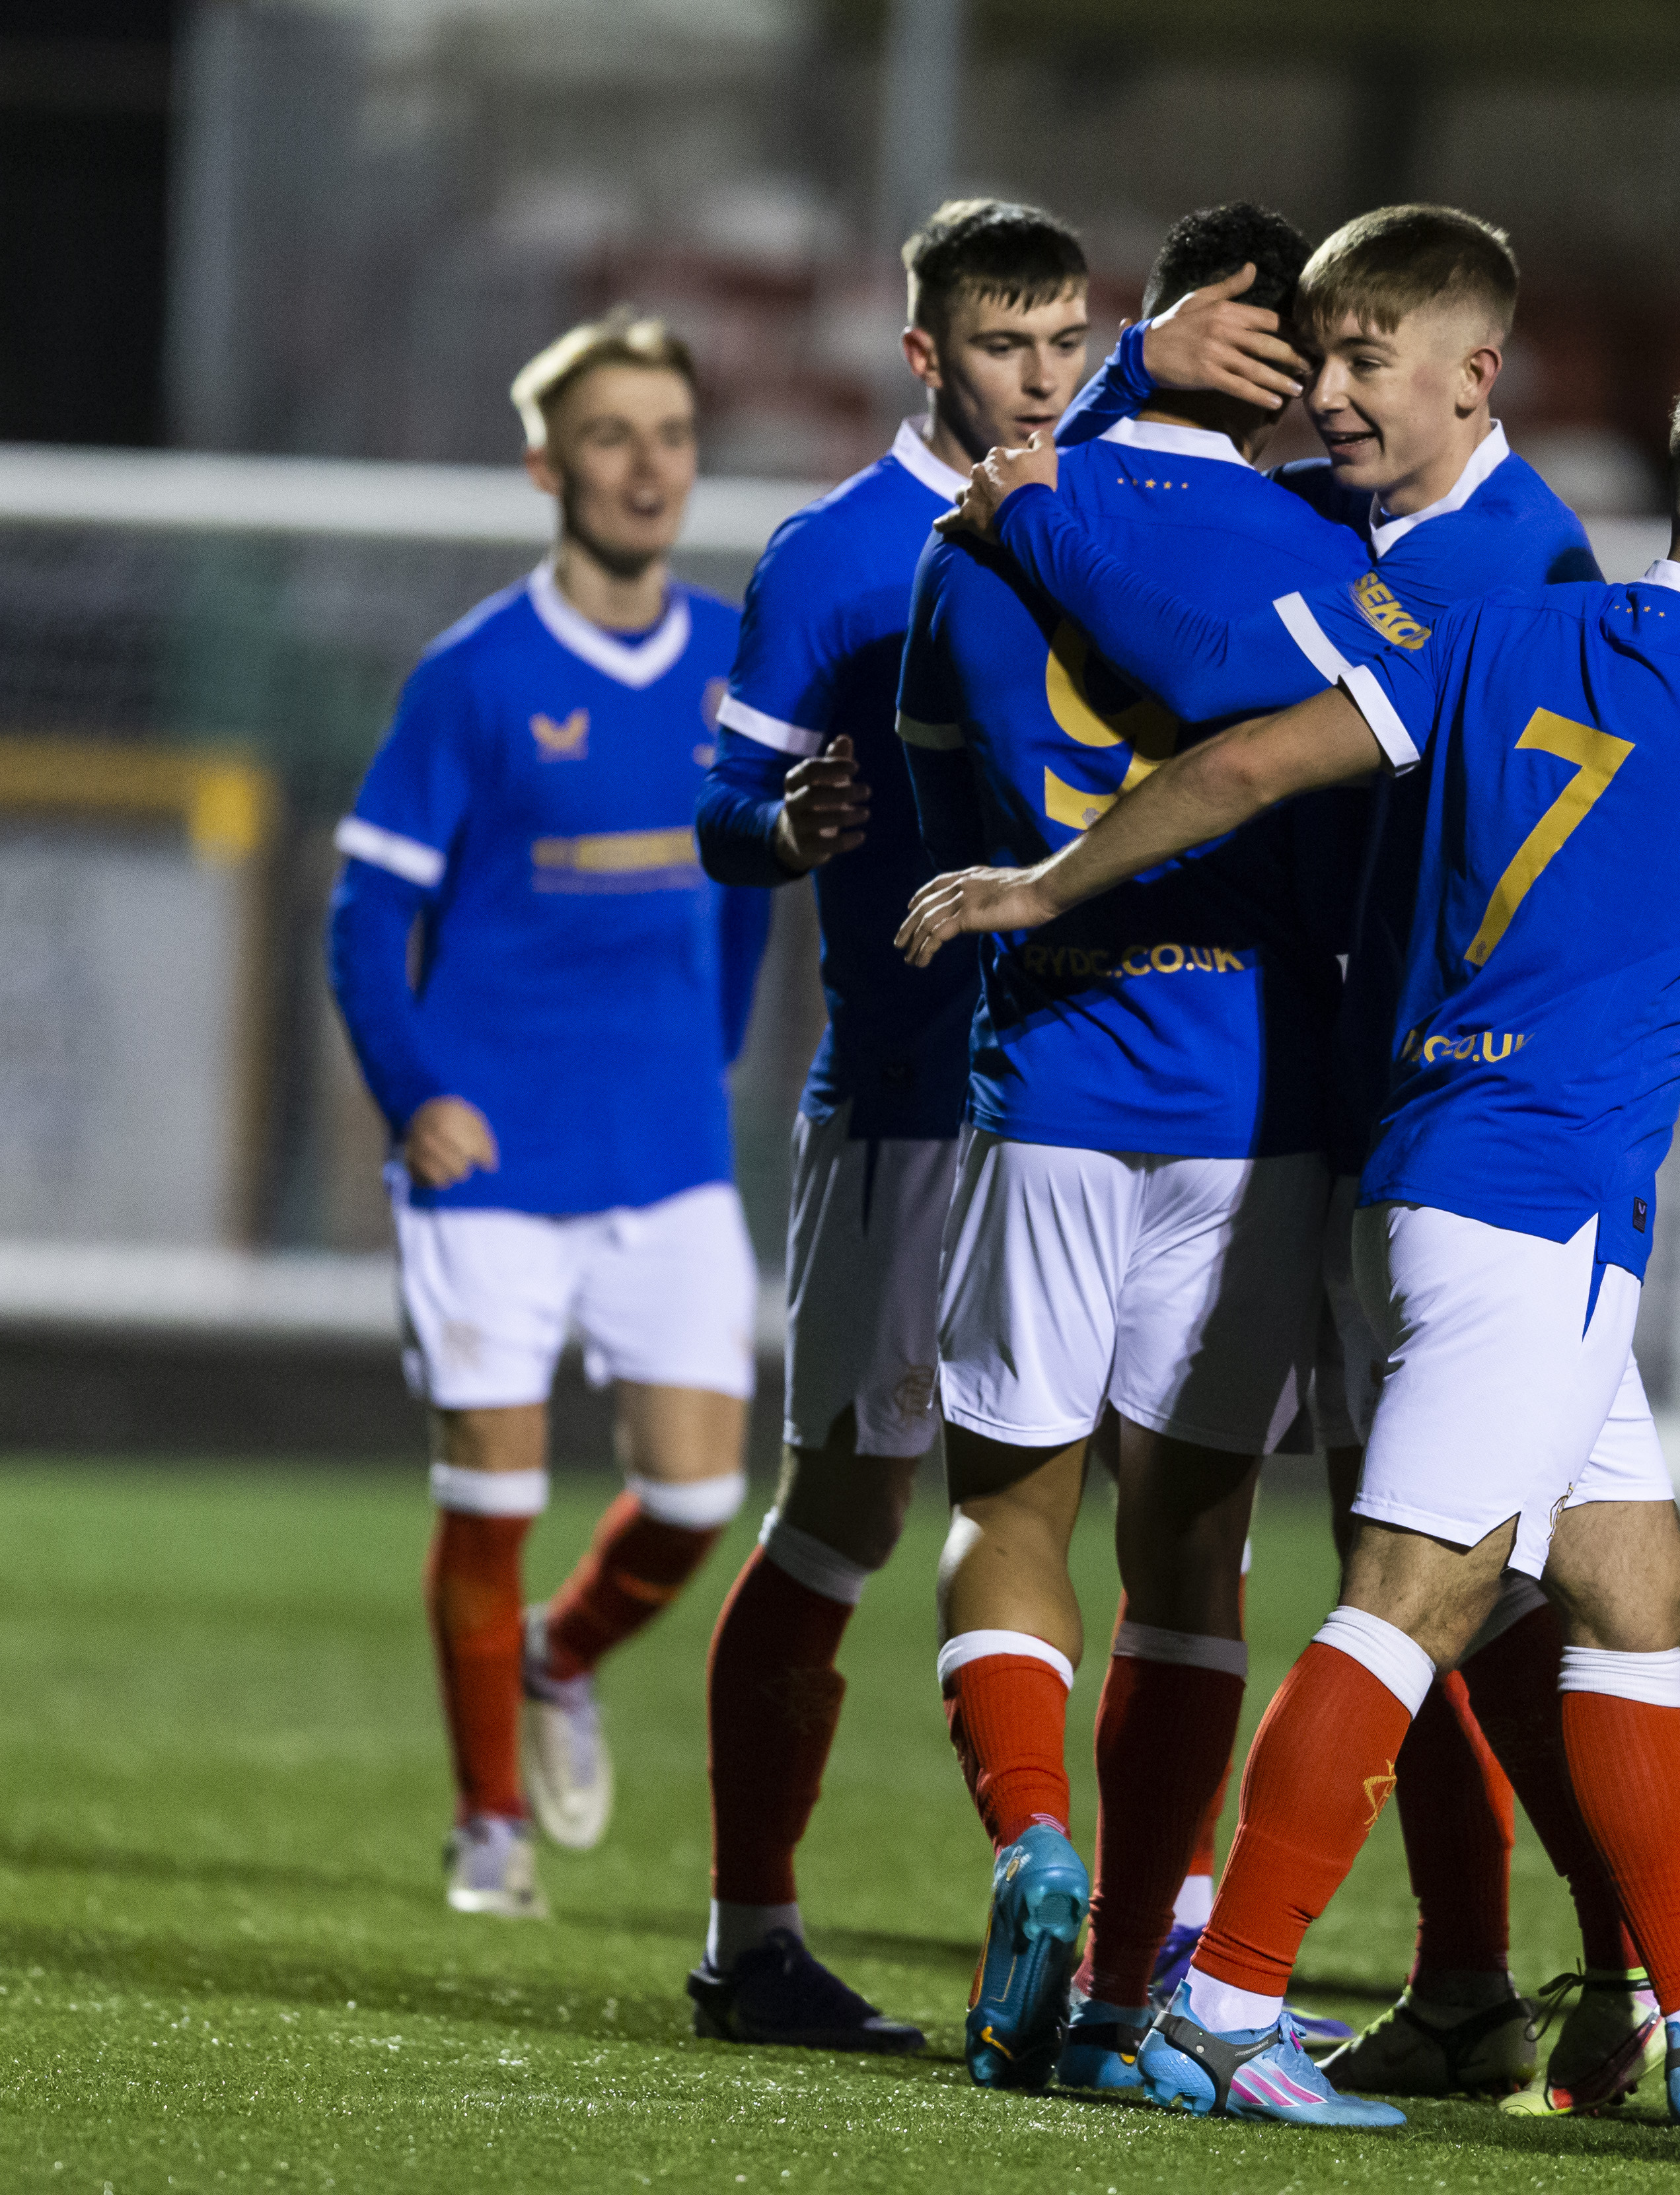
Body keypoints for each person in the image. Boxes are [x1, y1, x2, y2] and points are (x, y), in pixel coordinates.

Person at [900, 361, 1680, 2134]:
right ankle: (1223, 2002)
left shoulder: (1496, 639)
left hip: (1404, 1178)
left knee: (1630, 1583)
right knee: (1413, 1605)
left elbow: (1238, 763)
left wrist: (1046, 882)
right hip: (1536, 1212)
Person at [957, 201, 1658, 2112]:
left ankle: (1641, 1970)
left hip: (1489, 1137)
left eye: (1364, 361)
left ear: (1470, 373)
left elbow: (1228, 691)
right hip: (1387, 1120)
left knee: (1535, 1578)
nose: (1330, 394)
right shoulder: (1380, 533)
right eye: (1315, 359)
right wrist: (1123, 381)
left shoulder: (1503, 568)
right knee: (1447, 1564)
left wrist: (1040, 494)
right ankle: (1467, 1980)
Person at [892, 201, 1371, 2092]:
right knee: (1194, 1554)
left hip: (1059, 1071)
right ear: (1279, 365)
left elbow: (943, 799)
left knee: (1009, 1510)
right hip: (1255, 1089)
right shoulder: (1327, 554)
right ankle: (1117, 1994)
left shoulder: (971, 547)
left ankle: (1028, 1839)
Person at [680, 198, 1093, 2055]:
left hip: (1094, 1108)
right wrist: (793, 832)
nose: (1043, 374)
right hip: (910, 1108)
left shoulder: (1109, 523)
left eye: (1067, 339)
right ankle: (750, 1936)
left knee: (1140, 1516)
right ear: (924, 354)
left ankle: (1128, 1935)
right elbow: (720, 809)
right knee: (839, 1519)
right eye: (1006, 343)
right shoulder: (834, 556)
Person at [326, 310, 766, 1922]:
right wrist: (419, 1093)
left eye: (668, 432)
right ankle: (487, 1823)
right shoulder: (475, 677)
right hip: (491, 1154)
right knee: (492, 1492)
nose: (646, 465)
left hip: (664, 1152)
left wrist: (695, 1068)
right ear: (546, 466)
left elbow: (745, 897)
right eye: (609, 436)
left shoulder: (735, 659)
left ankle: (555, 1655)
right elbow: (365, 922)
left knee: (701, 1494)